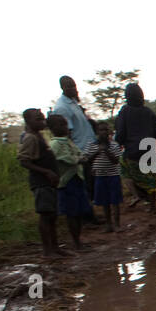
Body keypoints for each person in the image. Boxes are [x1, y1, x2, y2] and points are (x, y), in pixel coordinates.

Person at [52, 76, 98, 222]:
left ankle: (89, 214)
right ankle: (86, 218)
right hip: (80, 151)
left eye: (74, 85)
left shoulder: (73, 103)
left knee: (90, 184)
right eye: (69, 86)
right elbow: (67, 134)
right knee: (84, 185)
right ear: (62, 88)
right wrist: (75, 155)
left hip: (88, 149)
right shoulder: (62, 107)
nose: (73, 89)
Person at [17, 108, 62, 256]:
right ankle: (48, 251)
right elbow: (24, 161)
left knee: (52, 215)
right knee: (45, 215)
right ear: (28, 122)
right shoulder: (30, 138)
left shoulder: (40, 136)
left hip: (49, 182)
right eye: (38, 119)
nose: (42, 121)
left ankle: (55, 248)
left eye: (42, 118)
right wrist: (46, 172)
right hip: (41, 182)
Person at [46, 114, 92, 250]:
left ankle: (79, 240)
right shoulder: (55, 144)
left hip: (76, 179)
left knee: (78, 212)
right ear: (52, 128)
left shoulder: (67, 141)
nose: (65, 127)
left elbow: (79, 154)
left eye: (65, 124)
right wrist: (78, 159)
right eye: (61, 125)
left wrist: (80, 158)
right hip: (66, 182)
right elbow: (68, 158)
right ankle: (76, 243)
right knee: (72, 214)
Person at [115, 82, 156, 213]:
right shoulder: (148, 112)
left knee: (127, 173)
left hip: (133, 151)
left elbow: (121, 132)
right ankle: (152, 205)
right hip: (150, 150)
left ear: (127, 96)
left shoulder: (125, 111)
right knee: (149, 178)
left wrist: (118, 144)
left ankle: (139, 196)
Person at [82, 121, 124, 232]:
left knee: (115, 202)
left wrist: (105, 150)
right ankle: (108, 225)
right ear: (97, 132)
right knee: (104, 202)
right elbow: (87, 160)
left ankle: (117, 224)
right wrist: (98, 151)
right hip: (99, 176)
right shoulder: (91, 145)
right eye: (101, 130)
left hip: (113, 175)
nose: (104, 132)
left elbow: (115, 161)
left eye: (106, 130)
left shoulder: (114, 145)